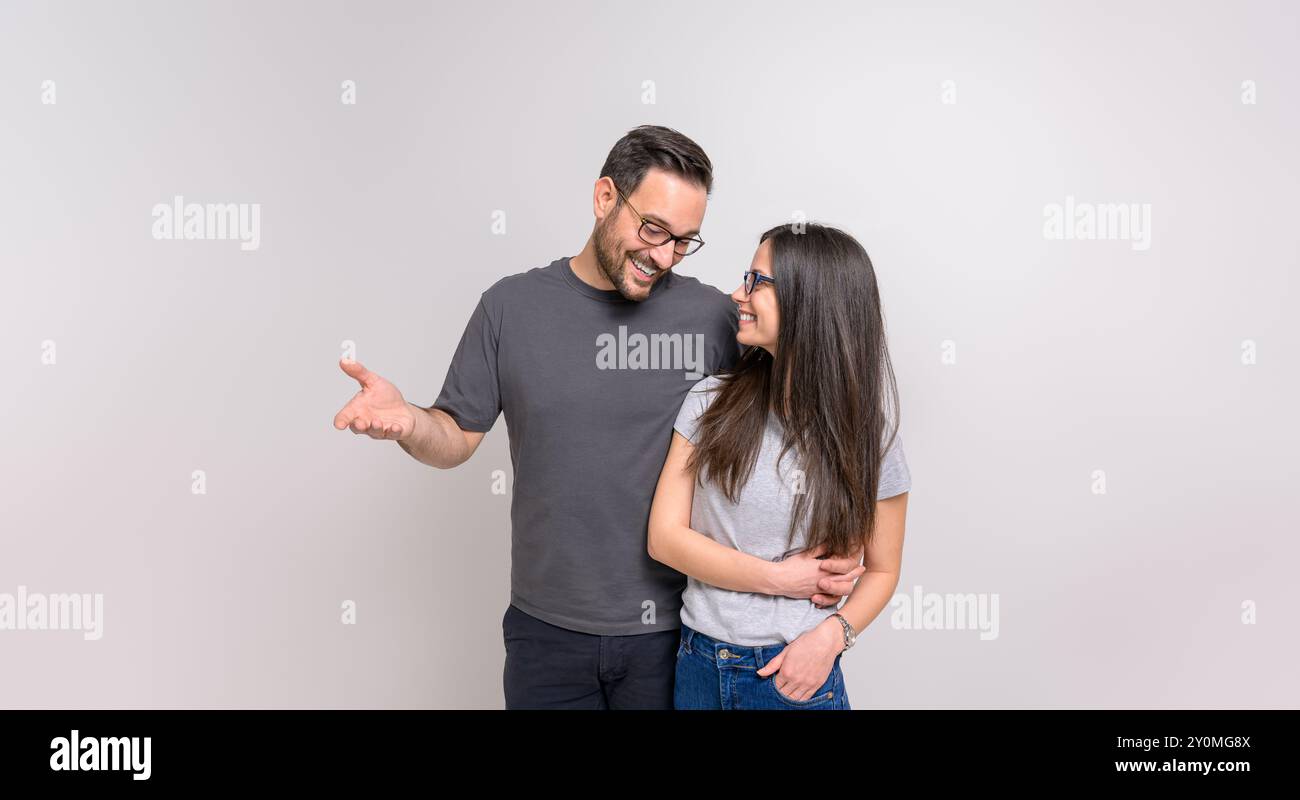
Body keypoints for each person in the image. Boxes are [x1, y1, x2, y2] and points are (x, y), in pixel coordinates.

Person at [332, 126, 865, 709]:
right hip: (546, 632)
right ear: (605, 197)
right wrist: (408, 421)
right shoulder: (511, 307)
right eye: (654, 229)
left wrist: (839, 564)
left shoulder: (714, 317)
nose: (663, 255)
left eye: (683, 241)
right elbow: (455, 435)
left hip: (679, 636)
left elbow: (801, 405)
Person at [648, 222, 912, 710]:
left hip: (794, 677)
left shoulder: (868, 431)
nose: (736, 294)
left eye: (756, 281)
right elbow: (664, 539)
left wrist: (832, 637)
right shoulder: (708, 401)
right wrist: (779, 578)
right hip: (698, 667)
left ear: (808, 300)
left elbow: (883, 569)